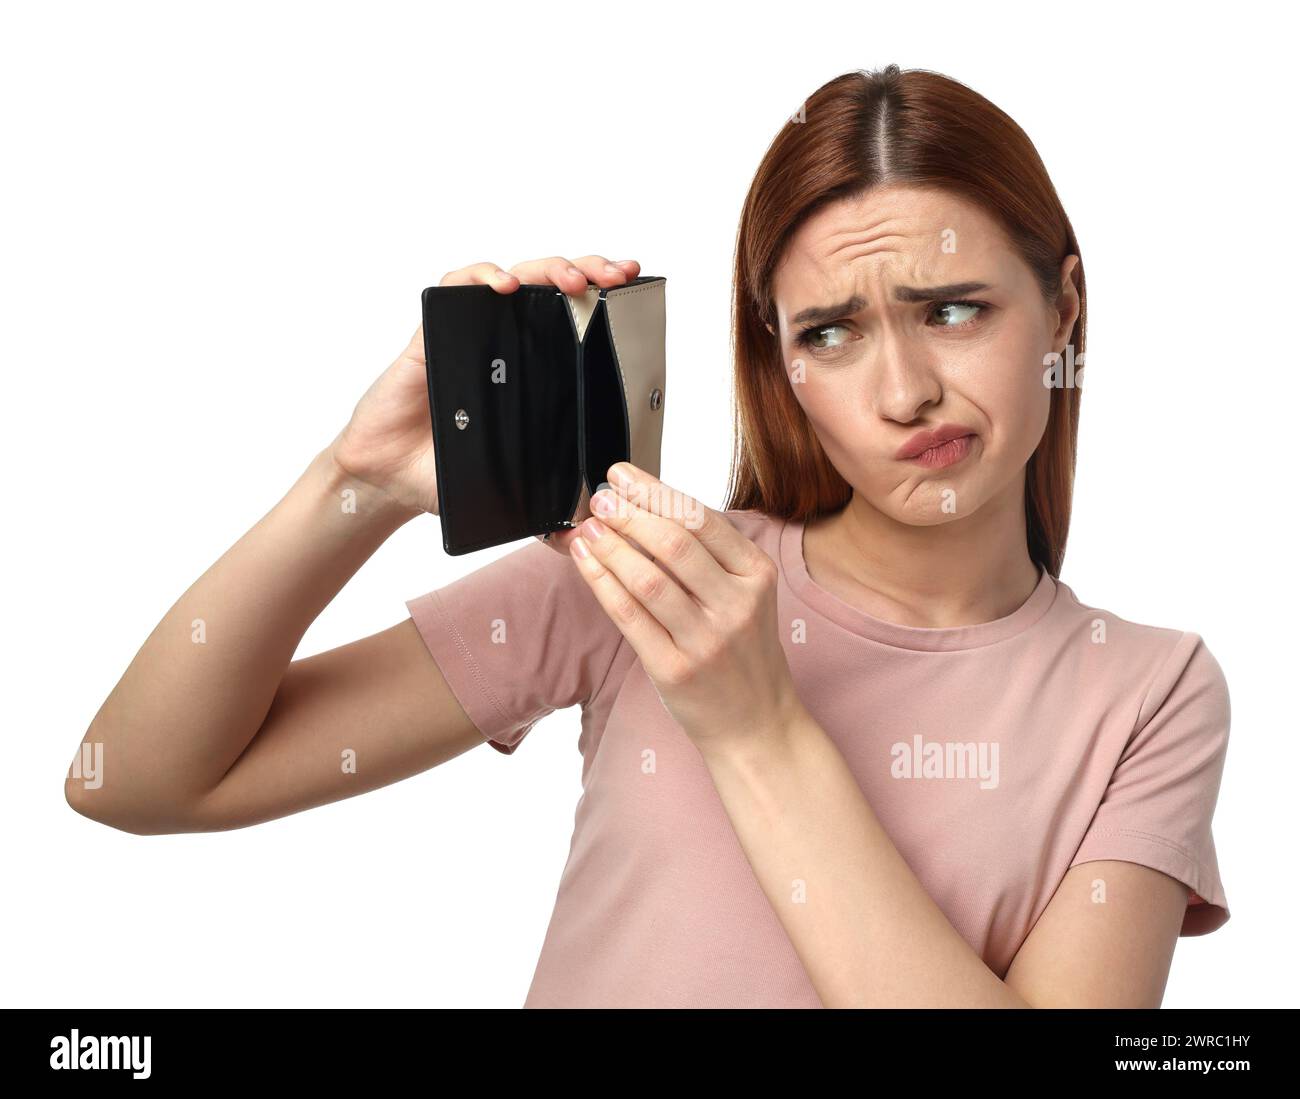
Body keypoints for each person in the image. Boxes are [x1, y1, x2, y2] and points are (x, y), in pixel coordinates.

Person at [66, 64, 1231, 1009]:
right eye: (829, 332)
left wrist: (757, 726)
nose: (903, 391)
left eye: (953, 309)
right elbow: (139, 782)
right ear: (781, 360)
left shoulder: (1144, 691)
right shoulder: (644, 574)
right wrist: (353, 484)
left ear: (1062, 308)